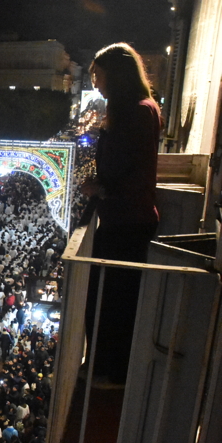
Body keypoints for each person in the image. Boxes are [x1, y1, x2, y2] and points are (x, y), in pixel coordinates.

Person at [81, 43, 161, 386]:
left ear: (117, 74)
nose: (96, 84)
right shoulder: (137, 109)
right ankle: (104, 365)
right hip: (122, 217)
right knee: (105, 297)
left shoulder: (137, 113)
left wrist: (102, 190)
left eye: (98, 75)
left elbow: (132, 171)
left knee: (111, 302)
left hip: (126, 219)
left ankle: (110, 371)